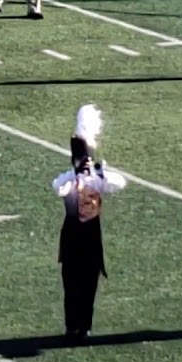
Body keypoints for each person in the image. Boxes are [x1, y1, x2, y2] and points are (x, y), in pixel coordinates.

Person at [52, 105, 125, 341]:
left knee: (90, 283)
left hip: (92, 237)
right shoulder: (68, 179)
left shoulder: (96, 180)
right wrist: (76, 176)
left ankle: (85, 326)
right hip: (72, 237)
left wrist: (100, 173)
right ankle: (71, 326)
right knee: (71, 283)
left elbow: (119, 184)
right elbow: (58, 188)